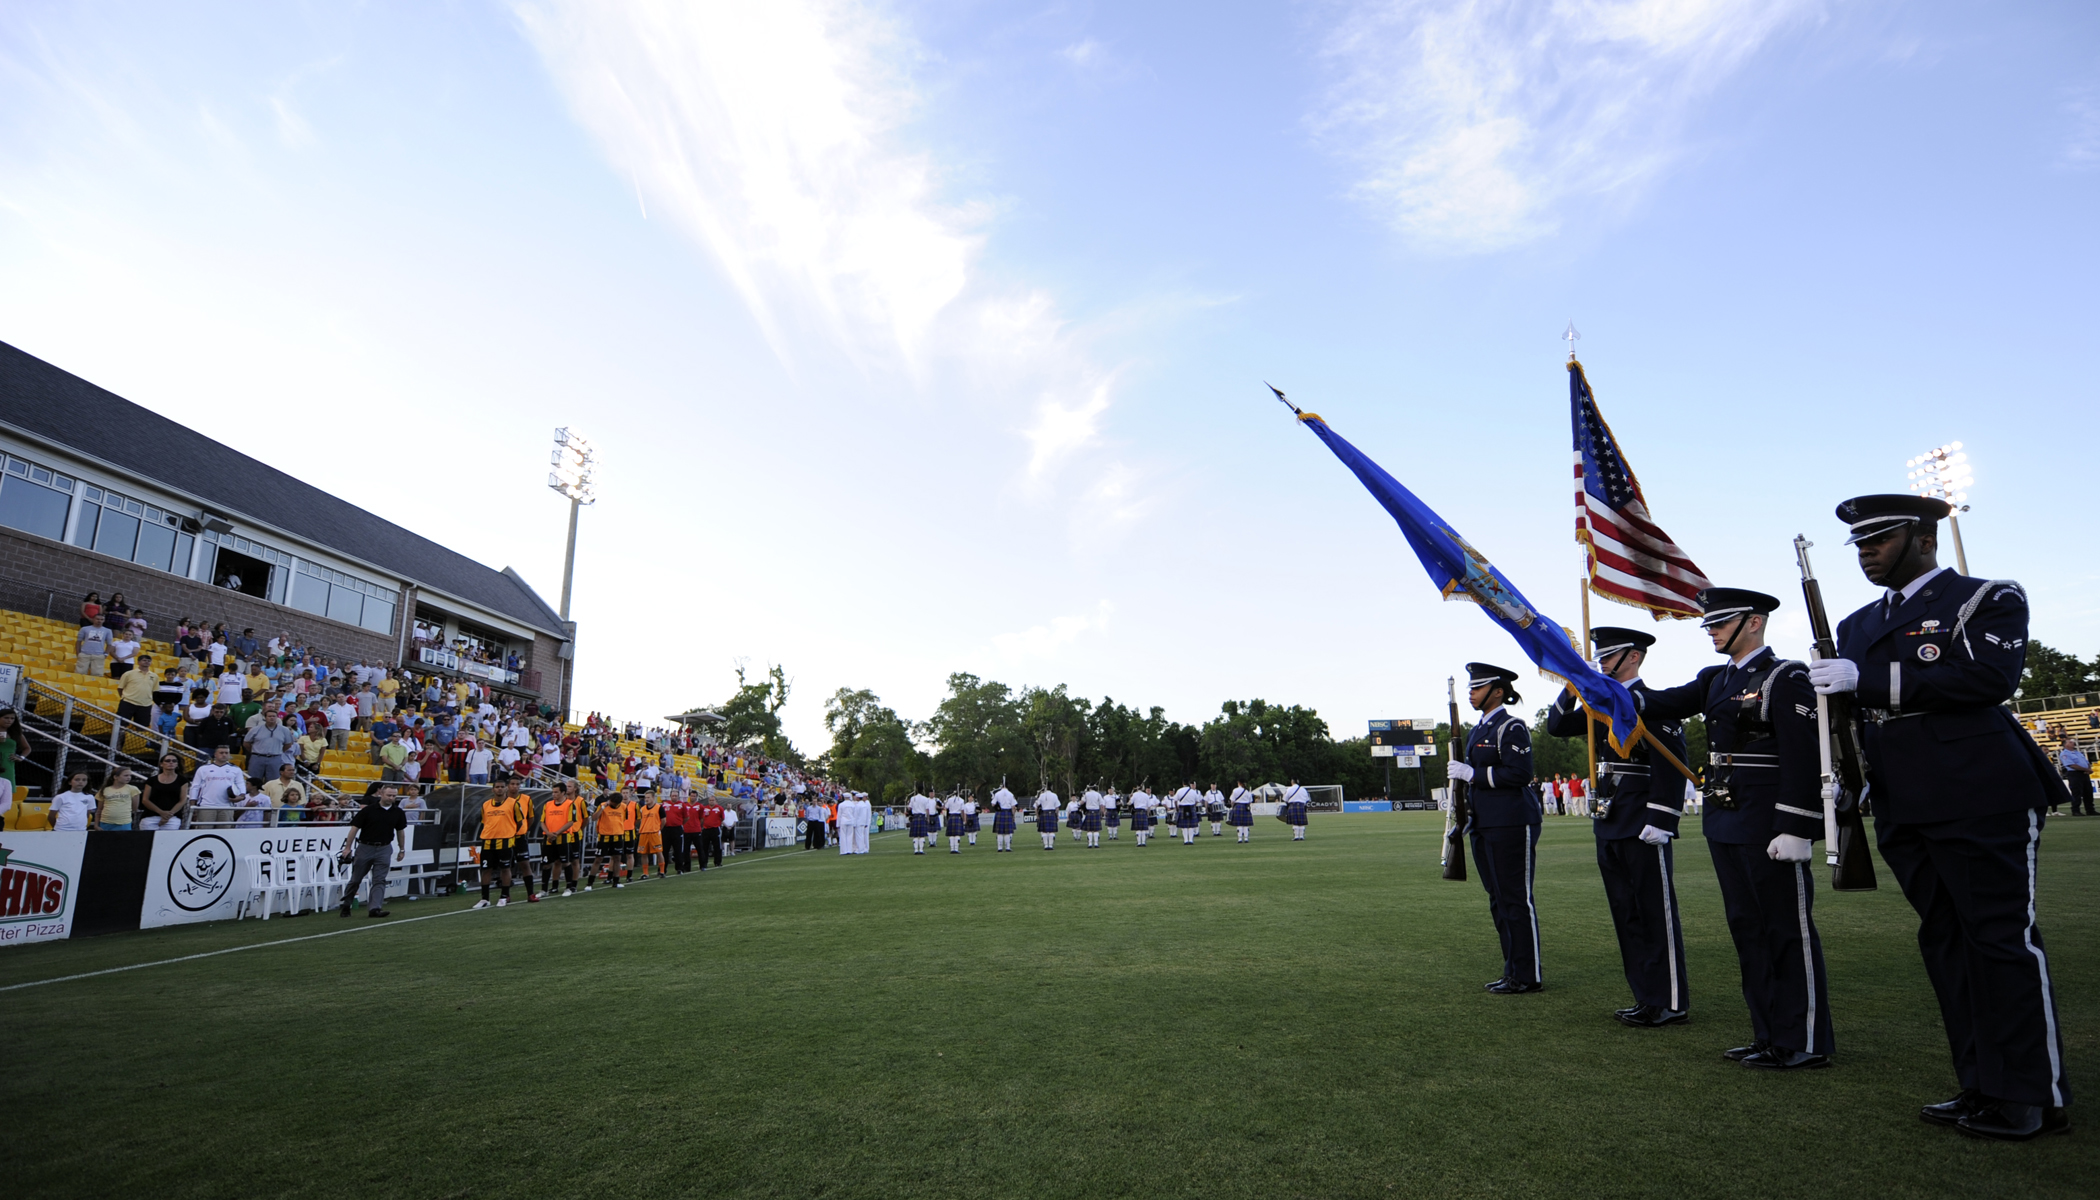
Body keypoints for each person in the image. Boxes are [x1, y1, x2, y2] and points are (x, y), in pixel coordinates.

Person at [1810, 494, 2070, 1138]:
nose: (1866, 550)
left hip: (1981, 789)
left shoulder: (1985, 597)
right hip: (1903, 797)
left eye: (1880, 538)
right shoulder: (1856, 623)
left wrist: (1869, 682)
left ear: (1924, 539)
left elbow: (1987, 679)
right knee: (1946, 942)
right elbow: (1854, 722)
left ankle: (2034, 1094)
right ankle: (1981, 1082)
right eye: (1860, 542)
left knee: (2001, 940)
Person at [1644, 589, 1833, 1069]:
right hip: (1725, 817)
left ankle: (1804, 1039)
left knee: (1786, 931)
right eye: (1709, 624)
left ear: (1753, 622)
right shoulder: (1715, 679)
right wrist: (1590, 681)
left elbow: (1802, 752)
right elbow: (1658, 704)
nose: (1711, 630)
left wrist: (1795, 825)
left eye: (1720, 622)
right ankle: (1768, 1033)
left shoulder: (1784, 675)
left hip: (1768, 819)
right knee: (1748, 930)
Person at [1546, 628, 1690, 1027]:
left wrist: (1662, 820)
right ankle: (1646, 996)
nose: (1602, 663)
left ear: (1634, 657)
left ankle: (1671, 1000)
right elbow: (1556, 726)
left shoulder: (1653, 704)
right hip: (1609, 819)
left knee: (1654, 914)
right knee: (1626, 913)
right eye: (1598, 657)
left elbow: (1671, 764)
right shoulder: (1601, 706)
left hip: (1642, 821)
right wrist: (1574, 681)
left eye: (1608, 657)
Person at [1445, 665, 1543, 995]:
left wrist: (1471, 774)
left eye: (1478, 688)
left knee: (1516, 900)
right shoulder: (1478, 729)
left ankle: (1528, 975)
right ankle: (1512, 970)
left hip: (1512, 821)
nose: (1472, 693)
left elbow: (1519, 773)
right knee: (1498, 900)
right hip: (1485, 823)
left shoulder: (1510, 726)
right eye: (1470, 689)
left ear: (1497, 691)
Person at [339, 784, 407, 918]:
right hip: (366, 846)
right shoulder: (368, 810)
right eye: (389, 795)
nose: (391, 798)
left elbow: (400, 831)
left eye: (394, 796)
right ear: (381, 793)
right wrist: (347, 847)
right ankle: (347, 904)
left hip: (385, 847)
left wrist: (402, 849)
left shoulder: (398, 812)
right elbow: (354, 829)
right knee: (356, 879)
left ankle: (375, 908)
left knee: (379, 879)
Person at [471, 779, 538, 908]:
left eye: (517, 784)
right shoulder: (486, 804)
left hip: (510, 838)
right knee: (486, 869)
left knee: (519, 865)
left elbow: (525, 820)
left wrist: (514, 832)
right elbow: (485, 822)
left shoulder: (520, 801)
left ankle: (523, 894)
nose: (500, 789)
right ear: (493, 789)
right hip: (489, 840)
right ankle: (485, 898)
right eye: (497, 787)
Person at [539, 781, 586, 896]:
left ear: (563, 793)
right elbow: (542, 822)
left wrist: (557, 833)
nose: (553, 794)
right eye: (553, 792)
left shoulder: (570, 804)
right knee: (547, 864)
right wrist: (548, 833)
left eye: (556, 792)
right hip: (549, 838)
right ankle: (544, 889)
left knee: (566, 862)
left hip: (564, 837)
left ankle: (569, 887)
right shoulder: (548, 804)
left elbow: (571, 821)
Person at [188, 744, 248, 828]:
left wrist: (242, 796)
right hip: (206, 806)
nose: (224, 755)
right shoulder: (203, 769)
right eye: (221, 753)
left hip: (226, 806)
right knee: (204, 832)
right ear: (215, 754)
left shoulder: (236, 769)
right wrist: (193, 803)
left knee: (224, 833)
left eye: (226, 753)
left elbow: (241, 783)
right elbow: (195, 786)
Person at [593, 788, 638, 888]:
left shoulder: (632, 805)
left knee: (625, 855)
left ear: (630, 794)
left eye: (627, 793)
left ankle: (625, 877)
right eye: (624, 793)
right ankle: (596, 881)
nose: (625, 795)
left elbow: (637, 818)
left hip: (624, 833)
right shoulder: (604, 805)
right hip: (606, 835)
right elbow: (594, 817)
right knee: (604, 858)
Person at [244, 711, 298, 783]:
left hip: (275, 758)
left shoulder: (284, 730)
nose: (272, 718)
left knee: (273, 781)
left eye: (273, 716)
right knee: (253, 781)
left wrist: (279, 750)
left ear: (277, 718)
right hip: (257, 757)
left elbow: (288, 744)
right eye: (269, 716)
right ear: (265, 718)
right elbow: (246, 743)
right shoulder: (255, 729)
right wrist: (253, 751)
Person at [139, 753, 189, 830]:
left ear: (177, 764)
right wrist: (161, 812)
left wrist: (168, 815)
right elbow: (145, 800)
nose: (171, 762)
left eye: (174, 761)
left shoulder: (182, 781)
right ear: (161, 764)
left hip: (172, 818)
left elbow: (182, 800)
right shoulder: (151, 780)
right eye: (168, 761)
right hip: (150, 817)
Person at [635, 791, 666, 879]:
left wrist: (659, 828)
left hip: (654, 832)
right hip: (644, 833)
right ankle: (645, 873)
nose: (647, 799)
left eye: (648, 797)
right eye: (646, 798)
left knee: (658, 852)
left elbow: (663, 820)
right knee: (643, 853)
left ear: (653, 798)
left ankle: (662, 871)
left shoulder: (659, 807)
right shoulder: (643, 809)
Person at [2059, 741, 2093, 817]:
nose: (2073, 743)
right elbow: (2071, 765)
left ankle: (2090, 810)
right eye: (2070, 742)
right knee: (2077, 793)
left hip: (2084, 774)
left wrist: (2088, 769)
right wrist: (2087, 770)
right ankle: (2075, 810)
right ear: (2065, 745)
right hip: (2075, 774)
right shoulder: (2065, 754)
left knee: (2088, 792)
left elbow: (2086, 762)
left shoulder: (2078, 752)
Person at [75, 612, 112, 676]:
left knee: (97, 674)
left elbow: (109, 644)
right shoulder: (85, 629)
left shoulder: (108, 631)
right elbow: (79, 641)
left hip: (99, 655)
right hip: (85, 654)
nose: (99, 621)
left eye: (101, 619)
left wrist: (105, 654)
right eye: (97, 619)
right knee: (79, 673)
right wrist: (78, 652)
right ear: (93, 619)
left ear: (104, 621)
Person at [990, 782, 1019, 852]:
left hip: (999, 813)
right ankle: (1007, 847)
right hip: (1008, 813)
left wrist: (998, 806)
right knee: (1007, 832)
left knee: (999, 832)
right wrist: (1013, 816)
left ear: (1002, 786)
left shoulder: (997, 794)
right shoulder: (1011, 794)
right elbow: (1013, 806)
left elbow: (993, 804)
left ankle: (999, 848)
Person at [907, 786, 935, 855]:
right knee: (922, 836)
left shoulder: (913, 798)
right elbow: (927, 810)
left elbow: (909, 808)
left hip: (915, 817)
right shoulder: (925, 799)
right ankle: (921, 850)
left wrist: (910, 814)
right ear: (923, 791)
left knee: (915, 836)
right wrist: (928, 818)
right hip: (922, 817)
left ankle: (916, 850)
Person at [941, 790, 966, 854]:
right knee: (957, 834)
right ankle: (956, 849)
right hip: (957, 816)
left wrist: (945, 802)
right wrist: (964, 820)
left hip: (951, 817)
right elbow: (963, 811)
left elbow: (945, 807)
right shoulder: (961, 800)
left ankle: (952, 849)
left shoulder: (949, 799)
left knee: (951, 834)